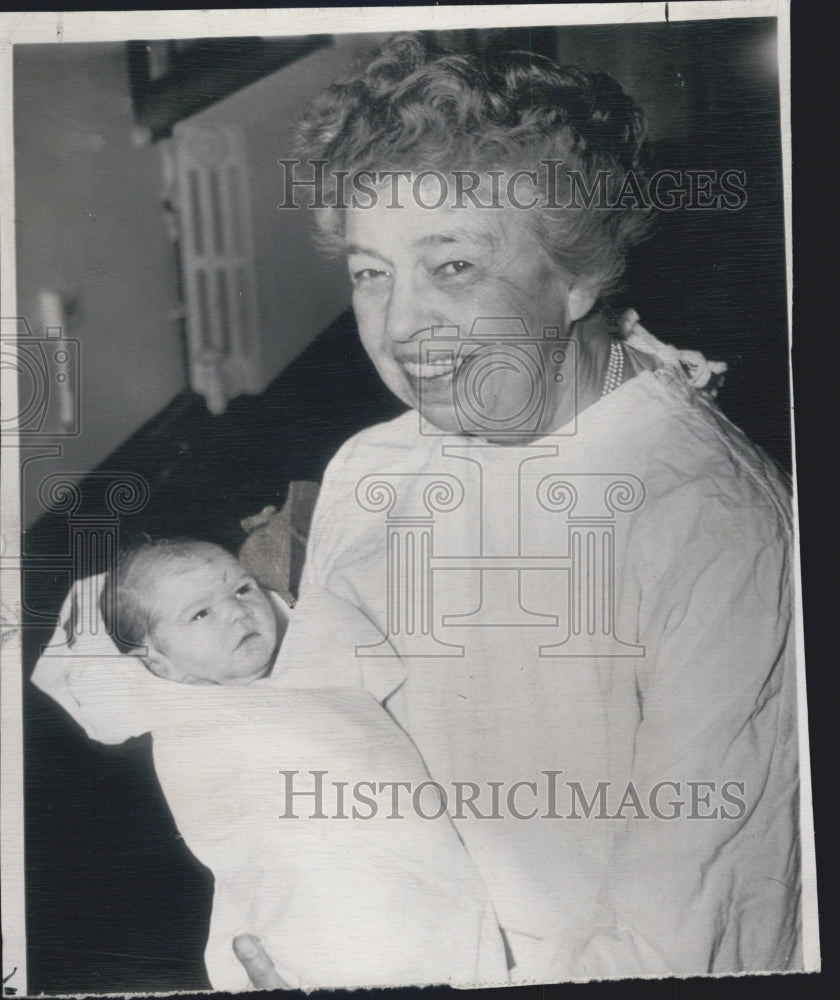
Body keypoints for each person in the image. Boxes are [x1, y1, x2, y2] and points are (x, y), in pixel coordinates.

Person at [239, 33, 800, 982]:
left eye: (452, 267)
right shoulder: (372, 466)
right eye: (372, 272)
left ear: (577, 275)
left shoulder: (711, 525)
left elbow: (687, 925)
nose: (400, 326)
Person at [33, 539, 509, 990]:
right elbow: (74, 654)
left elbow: (320, 597)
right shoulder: (168, 701)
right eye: (200, 613)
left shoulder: (314, 664)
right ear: (157, 662)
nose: (239, 611)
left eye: (242, 588)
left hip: (439, 884)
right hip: (325, 903)